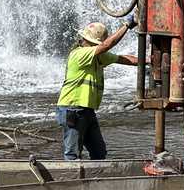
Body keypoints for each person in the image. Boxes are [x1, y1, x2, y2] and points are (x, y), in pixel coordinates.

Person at [56, 15, 136, 160]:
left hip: (87, 110)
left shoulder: (97, 56)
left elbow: (122, 59)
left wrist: (148, 60)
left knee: (99, 152)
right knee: (72, 153)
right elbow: (106, 46)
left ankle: (95, 174)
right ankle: (71, 175)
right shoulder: (79, 54)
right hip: (72, 109)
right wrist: (126, 25)